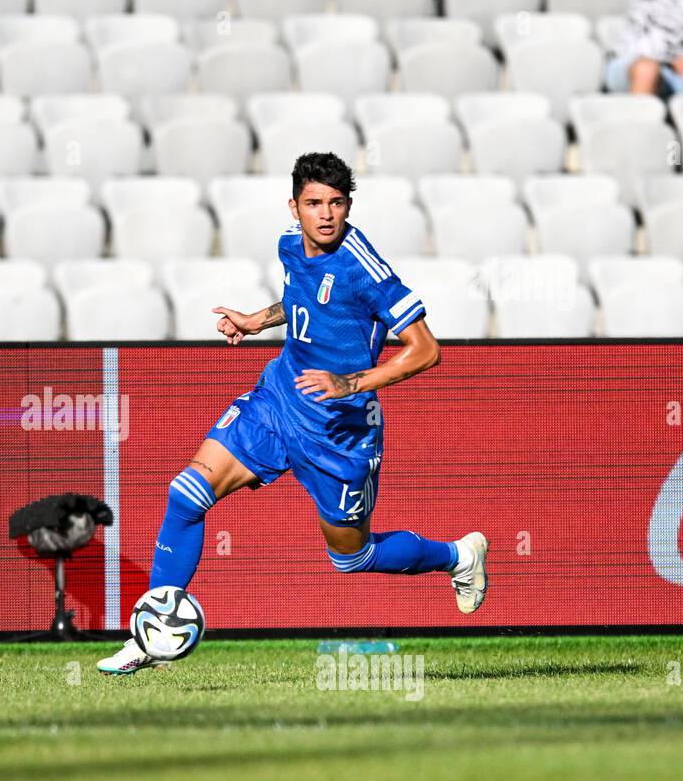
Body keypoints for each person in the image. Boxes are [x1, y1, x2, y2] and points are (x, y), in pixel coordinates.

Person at [98, 152, 488, 676]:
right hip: (278, 401)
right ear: (294, 207)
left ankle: (458, 556)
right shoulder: (288, 244)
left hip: (340, 433)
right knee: (185, 495)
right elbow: (300, 297)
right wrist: (258, 320)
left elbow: (425, 350)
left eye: (336, 203)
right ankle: (151, 636)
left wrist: (346, 383)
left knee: (351, 557)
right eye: (314, 203)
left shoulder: (364, 268)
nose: (326, 214)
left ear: (348, 206)